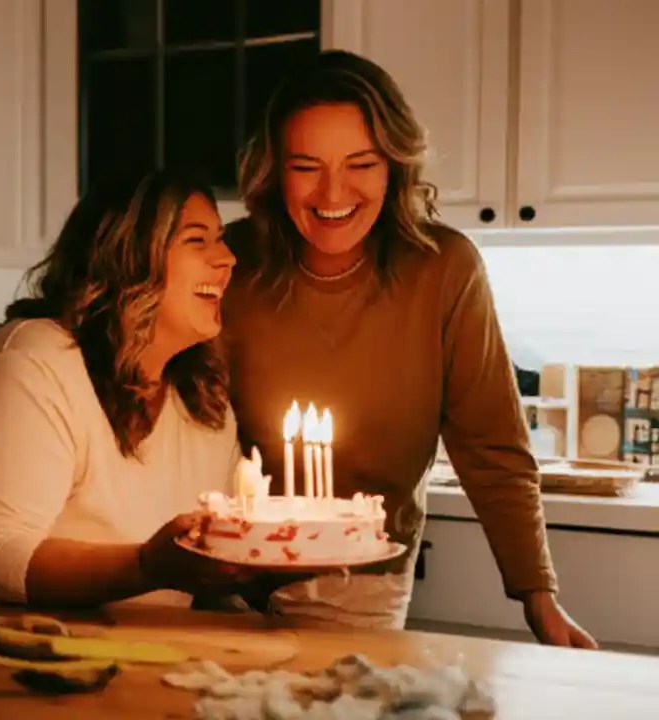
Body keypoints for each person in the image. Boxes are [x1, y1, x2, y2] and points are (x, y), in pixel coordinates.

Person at [219, 49, 597, 647]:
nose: (332, 191)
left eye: (361, 163)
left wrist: (539, 597)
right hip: (221, 578)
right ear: (273, 171)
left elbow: (491, 445)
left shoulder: (443, 270)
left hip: (361, 582)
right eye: (305, 166)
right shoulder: (227, 263)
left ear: (394, 165)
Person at [0, 171, 287, 608]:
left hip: (121, 663)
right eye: (197, 241)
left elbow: (215, 562)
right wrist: (148, 566)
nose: (227, 260)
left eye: (221, 238)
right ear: (126, 256)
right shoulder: (32, 361)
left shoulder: (201, 400)